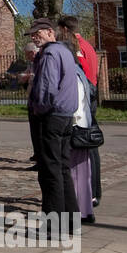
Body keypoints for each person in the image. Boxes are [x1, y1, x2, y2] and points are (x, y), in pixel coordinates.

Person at [25, 18, 80, 239]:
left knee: (50, 172)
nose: (34, 37)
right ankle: (71, 221)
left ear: (49, 32)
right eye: (31, 35)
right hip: (66, 116)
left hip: (52, 116)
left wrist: (38, 109)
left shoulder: (49, 54)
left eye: (37, 33)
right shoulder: (66, 52)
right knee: (63, 169)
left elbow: (47, 88)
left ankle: (53, 226)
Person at [58, 15, 102, 206]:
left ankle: (90, 192)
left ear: (65, 30)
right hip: (90, 96)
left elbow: (80, 73)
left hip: (85, 100)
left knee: (86, 146)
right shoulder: (87, 45)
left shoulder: (78, 48)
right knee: (89, 147)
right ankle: (93, 191)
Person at [69, 62, 96, 223]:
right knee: (83, 172)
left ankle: (80, 211)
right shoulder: (79, 71)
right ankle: (85, 210)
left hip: (76, 126)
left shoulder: (72, 74)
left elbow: (74, 102)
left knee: (75, 173)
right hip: (83, 125)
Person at [19, 41, 41, 168]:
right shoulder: (32, 63)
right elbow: (22, 77)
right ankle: (37, 154)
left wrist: (28, 76)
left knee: (38, 131)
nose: (26, 57)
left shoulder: (40, 61)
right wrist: (24, 76)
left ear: (32, 52)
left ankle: (40, 157)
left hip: (38, 100)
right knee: (34, 130)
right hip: (31, 98)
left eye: (27, 55)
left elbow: (36, 77)